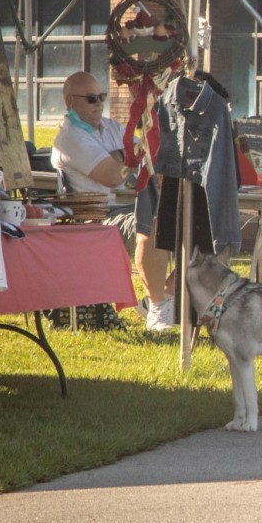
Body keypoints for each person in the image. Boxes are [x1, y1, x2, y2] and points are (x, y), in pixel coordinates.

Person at [51, 72, 173, 331]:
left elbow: (150, 155)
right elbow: (111, 175)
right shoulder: (71, 138)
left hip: (129, 204)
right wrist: (130, 158)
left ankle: (164, 299)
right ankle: (159, 307)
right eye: (91, 98)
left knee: (190, 221)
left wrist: (122, 157)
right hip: (98, 216)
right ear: (69, 101)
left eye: (102, 97)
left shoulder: (110, 127)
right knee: (153, 225)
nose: (99, 103)